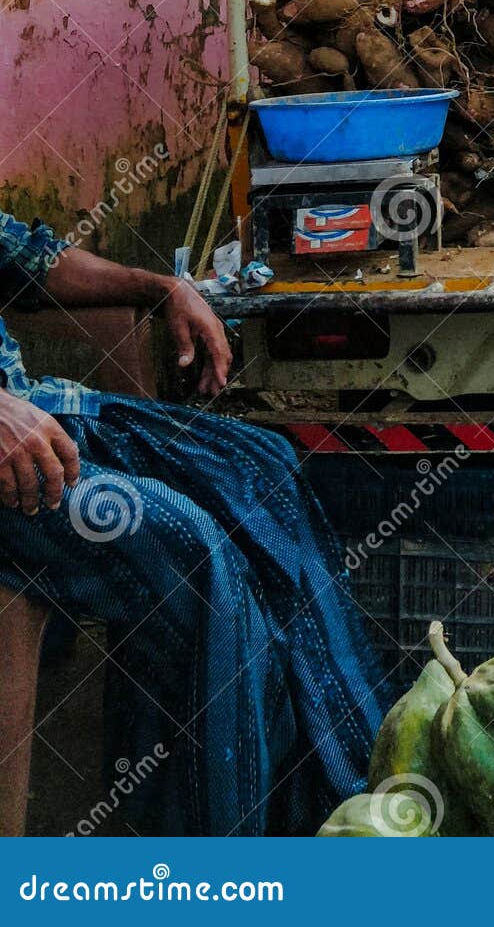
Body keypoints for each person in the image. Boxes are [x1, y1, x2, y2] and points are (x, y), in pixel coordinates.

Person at [0, 208, 384, 836]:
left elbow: (34, 261)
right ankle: (215, 850)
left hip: (38, 417)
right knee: (198, 555)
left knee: (262, 467)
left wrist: (165, 287)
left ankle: (344, 785)